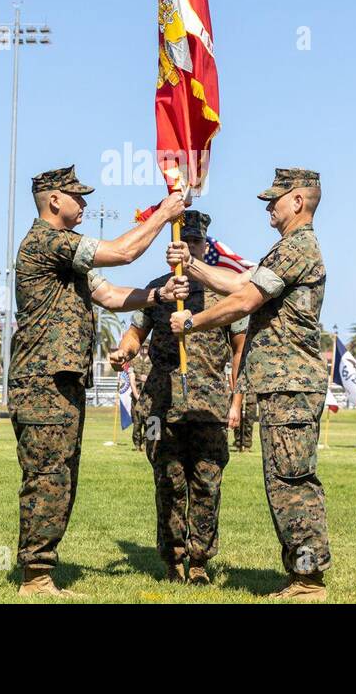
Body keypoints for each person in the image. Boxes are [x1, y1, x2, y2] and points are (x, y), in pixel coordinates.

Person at [9, 164, 187, 597]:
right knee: (48, 475)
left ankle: (42, 571)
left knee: (62, 475)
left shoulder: (66, 256)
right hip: (42, 382)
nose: (84, 203)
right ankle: (35, 577)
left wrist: (158, 295)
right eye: (77, 196)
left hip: (62, 380)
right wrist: (163, 214)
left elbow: (108, 296)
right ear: (54, 200)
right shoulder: (47, 241)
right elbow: (123, 252)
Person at [166, 168, 330, 601]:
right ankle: (301, 574)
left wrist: (192, 321)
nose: (268, 207)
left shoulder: (298, 247)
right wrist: (193, 264)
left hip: (290, 384)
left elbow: (244, 300)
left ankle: (308, 580)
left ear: (298, 201)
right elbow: (239, 281)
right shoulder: (287, 248)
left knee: (291, 480)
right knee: (283, 478)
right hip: (282, 385)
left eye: (274, 199)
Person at [110, 210, 246, 584]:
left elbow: (239, 349)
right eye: (179, 240)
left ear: (205, 244)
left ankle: (200, 562)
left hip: (209, 406)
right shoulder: (157, 289)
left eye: (194, 241)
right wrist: (125, 351)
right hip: (161, 405)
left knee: (207, 484)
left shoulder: (224, 294)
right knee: (168, 483)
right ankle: (171, 559)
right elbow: (135, 334)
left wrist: (236, 401)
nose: (187, 247)